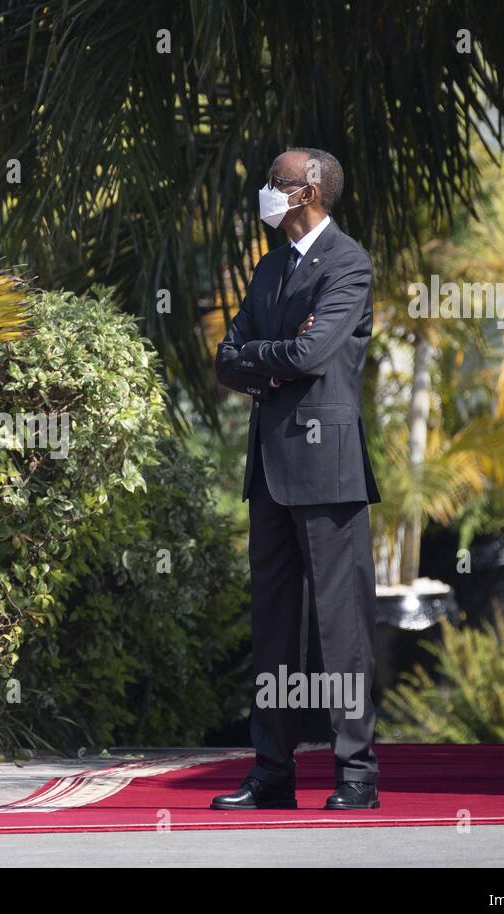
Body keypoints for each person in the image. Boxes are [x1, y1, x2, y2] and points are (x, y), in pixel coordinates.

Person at [212, 148, 382, 811]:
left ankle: (356, 777)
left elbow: (315, 354)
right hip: (271, 471)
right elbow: (229, 359)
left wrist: (268, 358)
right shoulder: (270, 267)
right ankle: (271, 773)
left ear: (307, 191)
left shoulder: (348, 263)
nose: (266, 193)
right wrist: (267, 361)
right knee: (274, 628)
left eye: (277, 184)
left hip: (329, 469)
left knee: (343, 632)